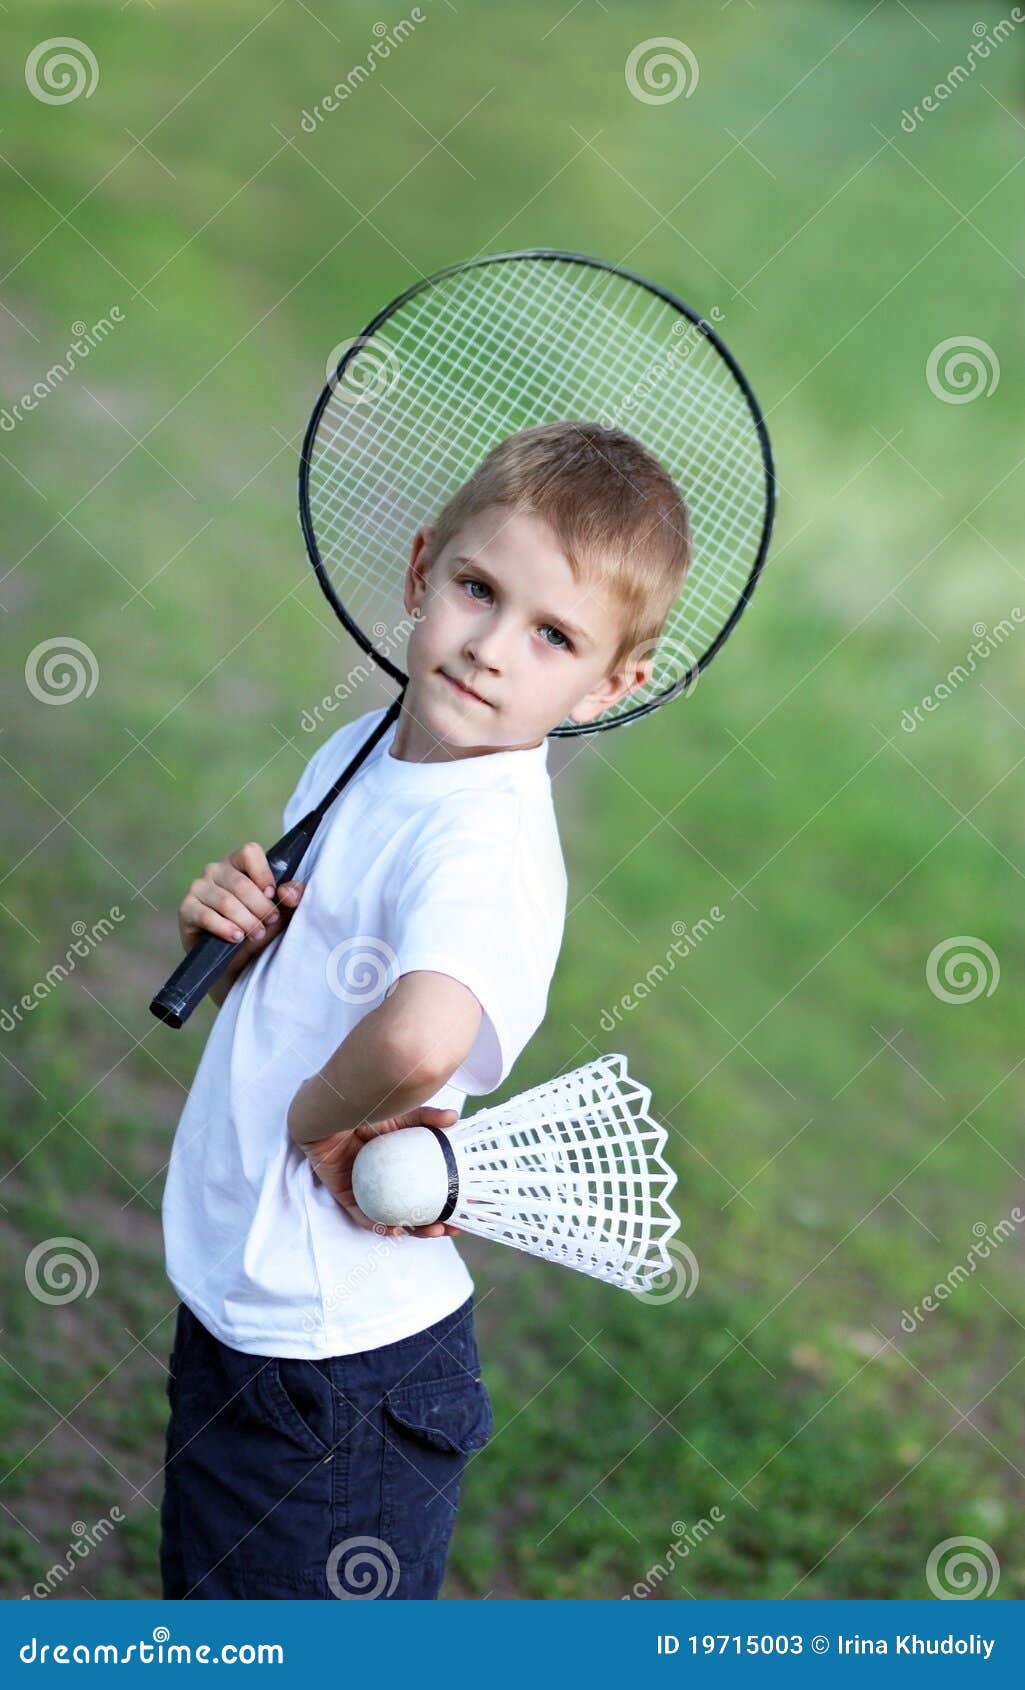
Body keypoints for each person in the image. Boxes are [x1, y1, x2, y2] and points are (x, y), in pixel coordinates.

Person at [158, 420, 692, 1599]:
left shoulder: (481, 838)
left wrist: (310, 1121)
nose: (492, 648)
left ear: (610, 682)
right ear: (418, 571)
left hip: (341, 1379)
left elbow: (420, 1035)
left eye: (552, 635)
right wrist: (228, 931)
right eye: (476, 589)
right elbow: (300, 968)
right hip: (249, 1320)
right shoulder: (363, 752)